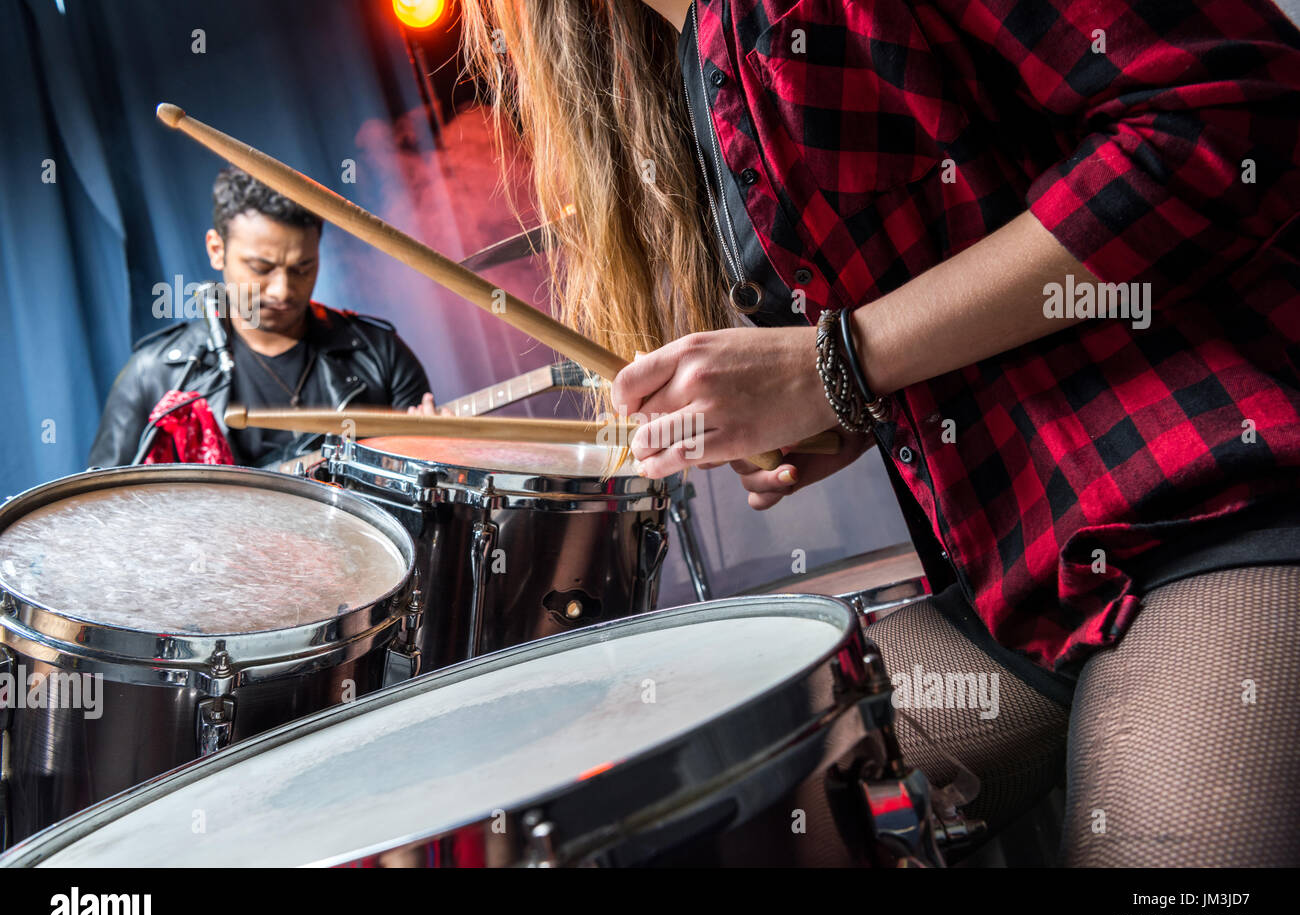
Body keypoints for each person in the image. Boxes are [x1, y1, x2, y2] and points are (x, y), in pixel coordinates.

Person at [461, 0, 1300, 864]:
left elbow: (1230, 111)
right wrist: (840, 407)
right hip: (1010, 598)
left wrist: (839, 365)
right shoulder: (693, 56)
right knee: (668, 834)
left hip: (1213, 509)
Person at [89, 166, 433, 469]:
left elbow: (424, 504)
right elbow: (103, 514)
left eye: (303, 268)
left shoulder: (380, 354)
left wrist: (435, 454)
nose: (283, 291)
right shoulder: (156, 374)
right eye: (261, 268)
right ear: (216, 250)